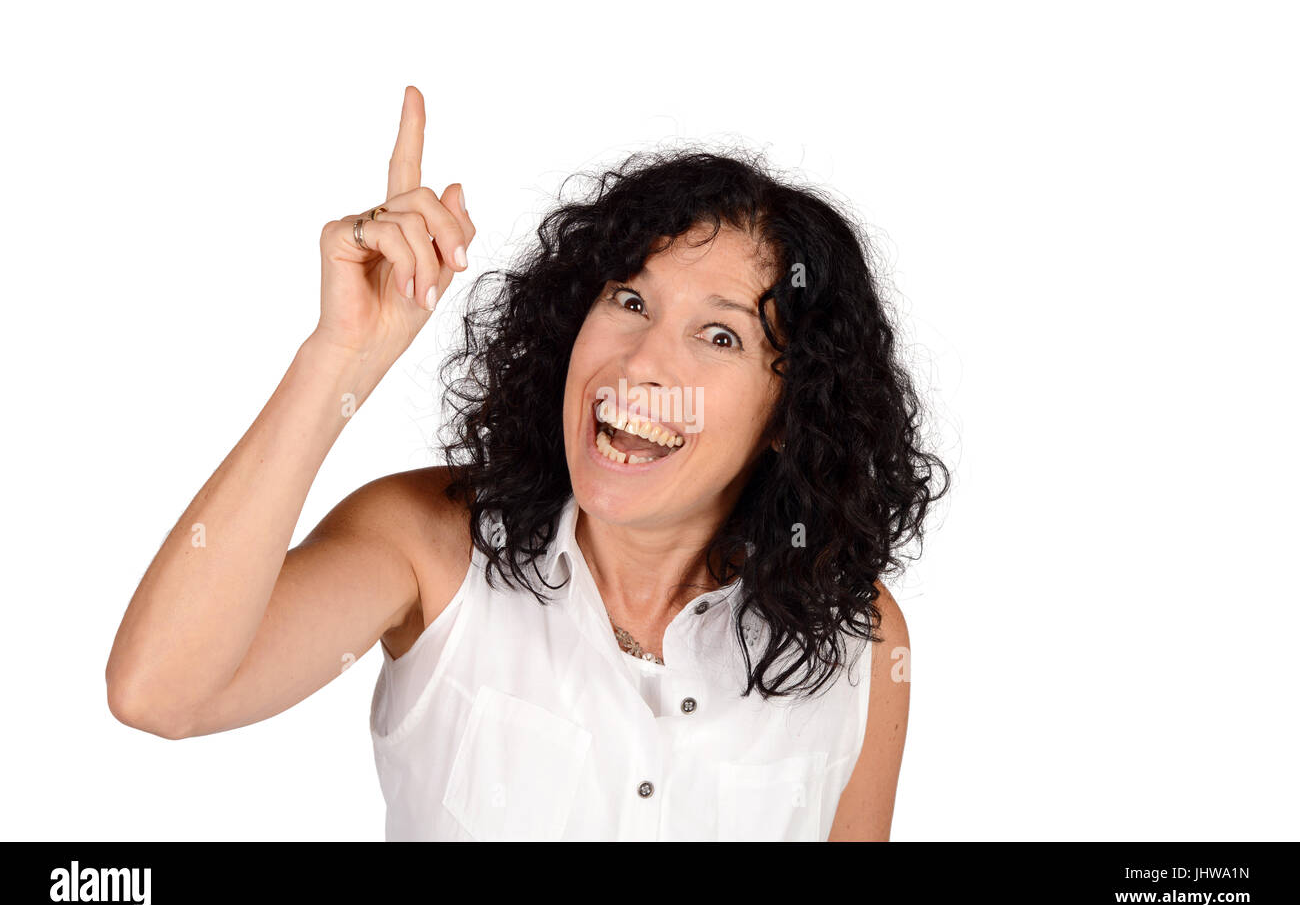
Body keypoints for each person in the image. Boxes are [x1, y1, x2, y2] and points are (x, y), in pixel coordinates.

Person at [106, 85, 949, 841]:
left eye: (719, 334)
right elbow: (162, 692)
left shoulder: (859, 640)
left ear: (787, 414)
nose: (643, 363)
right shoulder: (429, 547)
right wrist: (340, 358)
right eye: (629, 300)